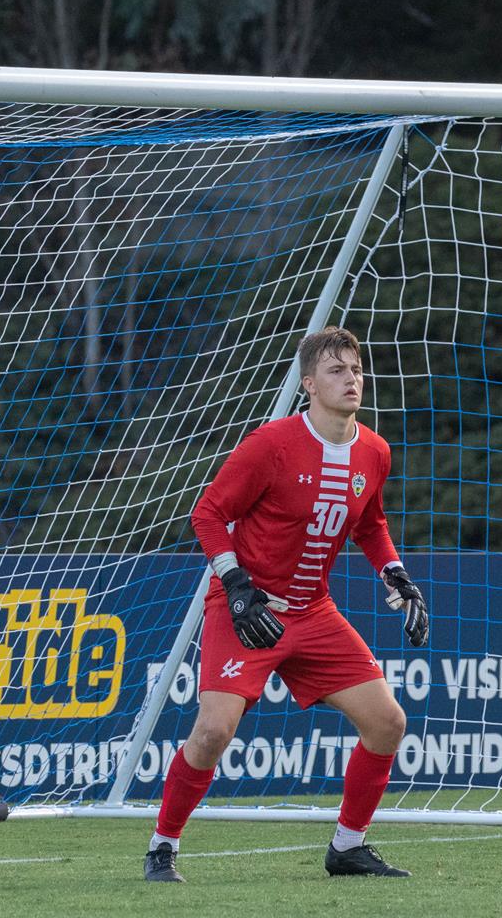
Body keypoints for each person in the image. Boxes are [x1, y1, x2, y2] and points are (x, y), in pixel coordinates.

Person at [144, 326, 430, 883]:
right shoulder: (270, 444)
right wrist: (237, 585)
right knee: (212, 734)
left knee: (388, 721)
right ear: (308, 385)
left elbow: (370, 524)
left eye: (356, 369)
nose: (351, 379)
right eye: (336, 371)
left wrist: (396, 574)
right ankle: (162, 845)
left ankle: (348, 848)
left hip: (313, 611)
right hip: (246, 607)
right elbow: (206, 514)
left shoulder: (374, 451)